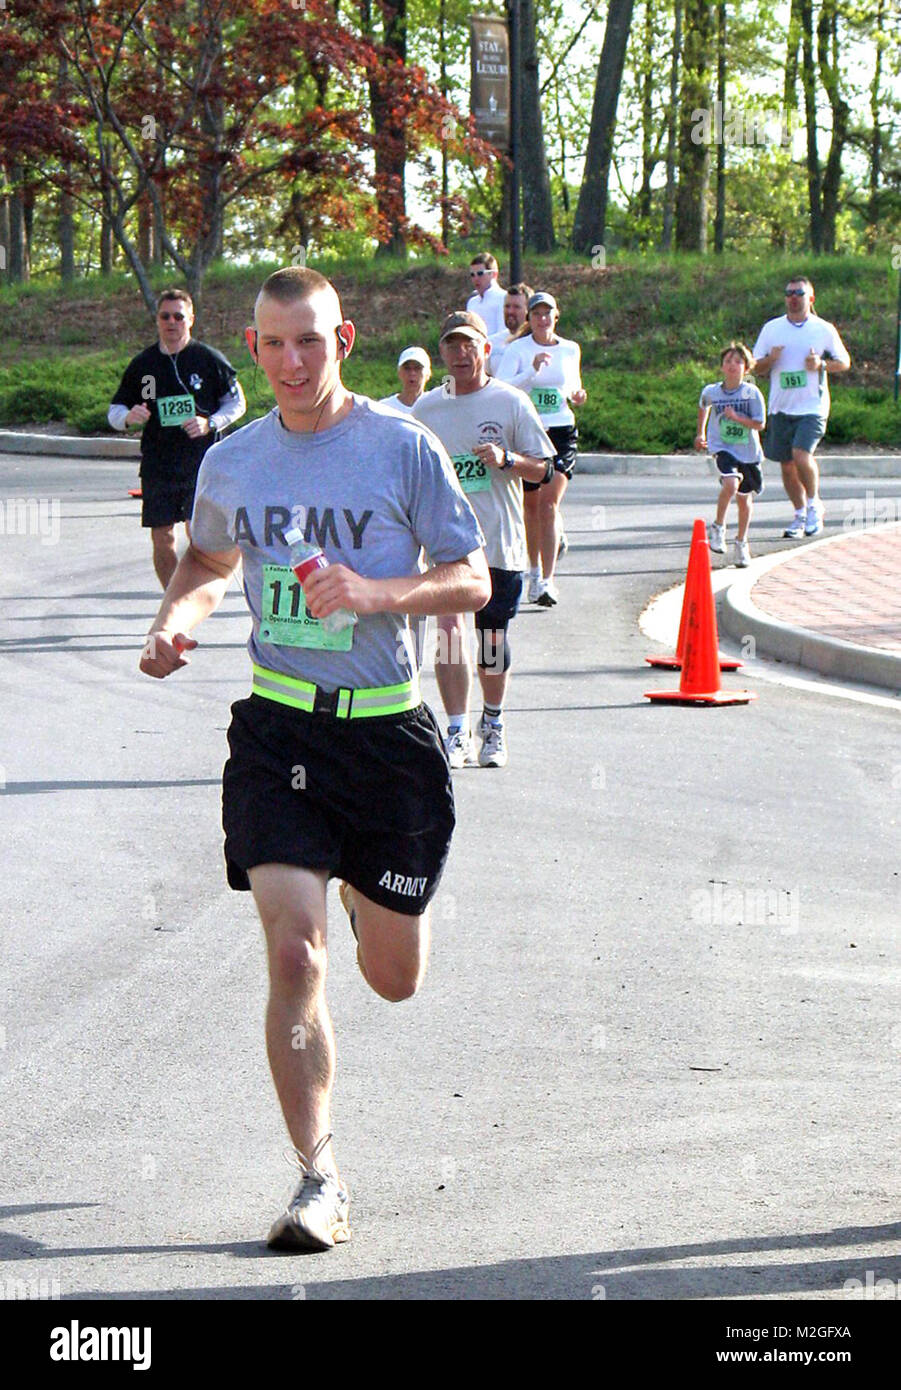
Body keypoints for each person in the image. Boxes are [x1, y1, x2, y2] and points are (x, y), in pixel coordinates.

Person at [139, 267, 489, 1253]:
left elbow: (469, 578)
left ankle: (358, 887)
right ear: (251, 349)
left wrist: (375, 596)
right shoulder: (234, 462)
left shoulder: (400, 447)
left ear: (343, 341)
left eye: (311, 342)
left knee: (392, 978)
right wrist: (176, 619)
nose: (293, 363)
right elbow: (208, 563)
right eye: (275, 345)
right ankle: (319, 1174)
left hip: (385, 736)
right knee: (293, 954)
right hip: (279, 731)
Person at [413, 310, 554, 769]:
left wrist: (507, 459)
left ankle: (492, 722)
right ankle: (456, 730)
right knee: (451, 635)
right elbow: (409, 475)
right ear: (442, 354)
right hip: (448, 546)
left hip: (499, 544)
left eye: (468, 345)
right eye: (451, 346)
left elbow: (547, 468)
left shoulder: (510, 403)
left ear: (485, 350)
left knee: (491, 640)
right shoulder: (426, 410)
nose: (460, 353)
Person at [108, 288, 246, 588]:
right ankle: (173, 600)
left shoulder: (208, 359)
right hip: (158, 463)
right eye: (165, 316)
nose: (172, 322)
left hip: (200, 462)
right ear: (157, 320)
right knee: (162, 536)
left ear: (191, 319)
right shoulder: (144, 366)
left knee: (197, 534)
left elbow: (237, 404)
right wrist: (128, 418)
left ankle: (196, 594)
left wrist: (209, 422)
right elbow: (115, 410)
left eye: (179, 317)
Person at [497, 292, 586, 606]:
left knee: (549, 505)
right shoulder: (517, 349)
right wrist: (531, 372)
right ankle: (533, 571)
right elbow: (504, 389)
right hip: (529, 431)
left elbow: (572, 385)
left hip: (561, 430)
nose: (542, 319)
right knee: (530, 508)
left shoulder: (570, 349)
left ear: (556, 316)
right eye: (536, 314)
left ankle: (547, 581)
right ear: (529, 319)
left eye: (548, 313)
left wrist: (578, 395)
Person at [752, 275, 850, 539]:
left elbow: (844, 362)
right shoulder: (772, 329)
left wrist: (821, 365)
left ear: (811, 298)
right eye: (789, 293)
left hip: (813, 406)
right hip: (781, 406)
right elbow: (755, 367)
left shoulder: (823, 329)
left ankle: (814, 504)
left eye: (799, 293)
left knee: (800, 453)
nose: (793, 298)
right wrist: (771, 359)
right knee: (786, 464)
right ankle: (799, 514)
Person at [695, 343, 766, 568]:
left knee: (744, 500)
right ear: (722, 367)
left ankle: (741, 543)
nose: (732, 365)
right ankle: (718, 527)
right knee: (731, 484)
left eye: (738, 361)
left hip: (747, 451)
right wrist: (700, 433)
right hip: (722, 447)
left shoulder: (751, 393)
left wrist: (736, 418)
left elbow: (760, 424)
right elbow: (703, 405)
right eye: (728, 361)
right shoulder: (712, 391)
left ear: (746, 368)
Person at [486, 282, 532, 378]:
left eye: (516, 307)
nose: (510, 311)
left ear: (529, 311)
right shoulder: (491, 342)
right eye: (507, 306)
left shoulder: (535, 343)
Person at [379, 346, 432, 413]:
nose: (412, 373)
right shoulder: (384, 408)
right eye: (407, 368)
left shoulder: (436, 407)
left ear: (428, 374)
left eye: (417, 368)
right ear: (399, 373)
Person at [465, 252, 507, 336]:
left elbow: (504, 333)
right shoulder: (472, 302)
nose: (476, 278)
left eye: (480, 273)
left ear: (494, 274)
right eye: (472, 275)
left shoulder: (504, 298)